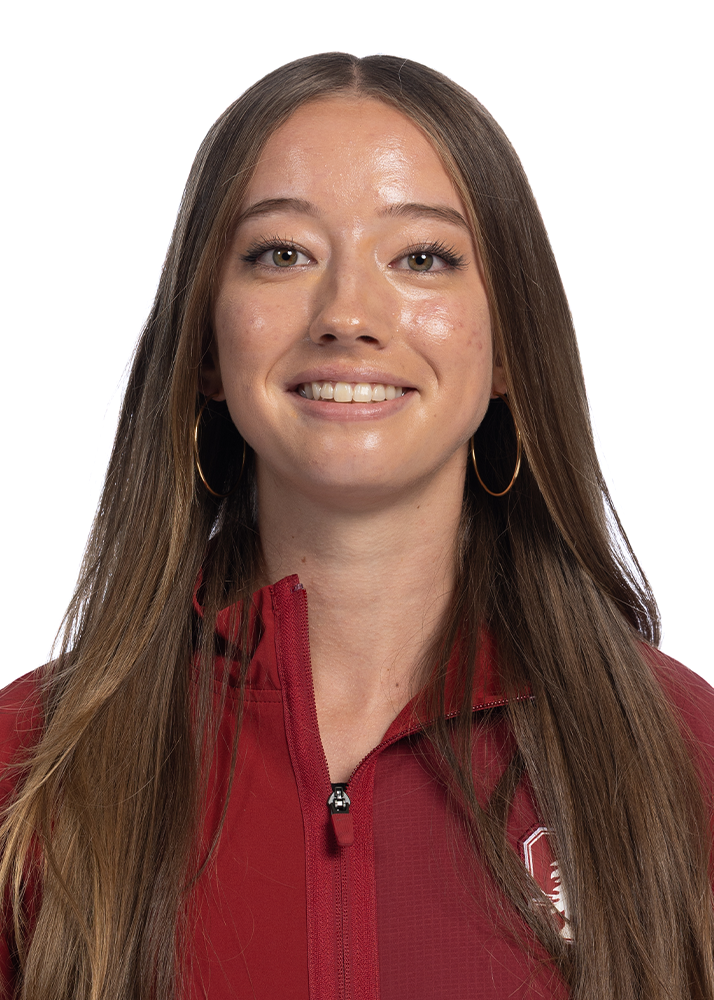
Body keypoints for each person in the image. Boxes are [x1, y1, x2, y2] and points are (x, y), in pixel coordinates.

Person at [1, 52, 713, 1000]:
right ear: (207, 344)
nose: (347, 314)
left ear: (509, 347)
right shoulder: (27, 769)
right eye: (282, 254)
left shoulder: (683, 755)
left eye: (422, 258)